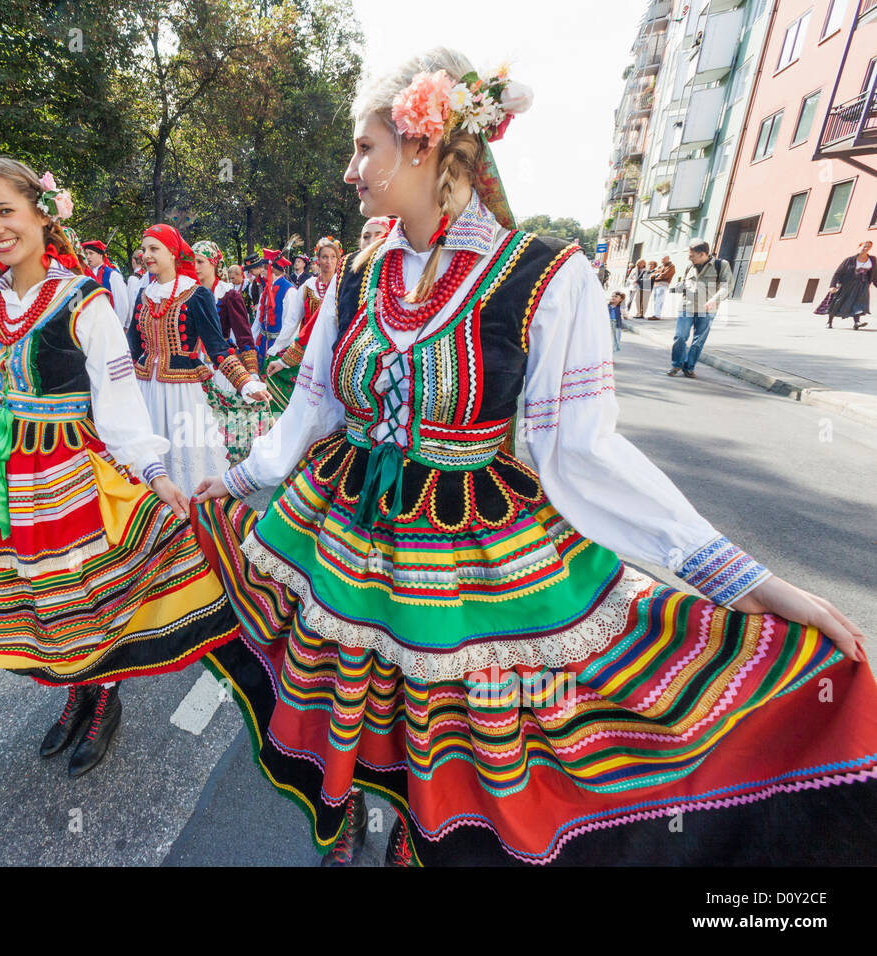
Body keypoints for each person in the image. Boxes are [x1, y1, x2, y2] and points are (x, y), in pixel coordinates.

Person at [192, 48, 877, 868]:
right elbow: (313, 410)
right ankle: (366, 827)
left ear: (423, 145)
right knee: (365, 715)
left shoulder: (547, 277)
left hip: (468, 563)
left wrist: (749, 581)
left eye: (365, 147)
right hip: (344, 544)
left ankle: (414, 841)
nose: (350, 171)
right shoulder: (359, 280)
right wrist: (227, 485)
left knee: (460, 749)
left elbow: (582, 454)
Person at [0, 156, 244, 777]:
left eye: (5, 212)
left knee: (80, 590)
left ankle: (104, 696)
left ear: (43, 212)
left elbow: (119, 405)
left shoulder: (82, 301)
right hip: (1, 471)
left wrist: (153, 472)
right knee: (40, 592)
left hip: (68, 469)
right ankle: (76, 690)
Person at [130, 224, 268, 493]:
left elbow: (217, 347)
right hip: (145, 392)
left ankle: (191, 523)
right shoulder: (143, 294)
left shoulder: (196, 293)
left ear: (172, 253)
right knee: (149, 464)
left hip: (183, 393)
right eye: (145, 249)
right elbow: (133, 349)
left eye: (154, 248)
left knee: (185, 462)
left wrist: (245, 382)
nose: (147, 255)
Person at [193, 239, 270, 466]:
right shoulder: (188, 292)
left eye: (200, 262)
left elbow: (244, 337)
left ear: (214, 263)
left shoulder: (228, 295)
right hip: (193, 368)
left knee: (220, 426)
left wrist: (252, 374)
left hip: (220, 368)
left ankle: (225, 472)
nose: (195, 267)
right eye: (193, 261)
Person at [266, 235, 342, 408]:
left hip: (335, 349)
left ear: (338, 260)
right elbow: (292, 320)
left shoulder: (342, 286)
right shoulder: (308, 286)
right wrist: (277, 347)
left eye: (333, 257)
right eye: (324, 257)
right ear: (317, 260)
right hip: (308, 349)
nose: (328, 261)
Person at [669, 240, 732, 378]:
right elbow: (685, 283)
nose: (689, 258)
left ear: (703, 254)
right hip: (687, 306)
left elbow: (726, 287)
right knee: (680, 336)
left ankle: (689, 367)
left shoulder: (721, 265)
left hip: (707, 310)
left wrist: (714, 299)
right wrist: (678, 287)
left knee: (698, 341)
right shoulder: (689, 266)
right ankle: (676, 365)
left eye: (692, 256)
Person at [243, 249, 302, 367]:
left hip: (279, 348)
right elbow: (258, 321)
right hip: (263, 344)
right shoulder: (266, 291)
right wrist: (251, 342)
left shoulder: (289, 291)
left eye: (263, 268)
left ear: (271, 269)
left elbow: (290, 325)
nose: (261, 272)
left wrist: (276, 348)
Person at [823, 240, 875, 330]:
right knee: (838, 302)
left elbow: (875, 274)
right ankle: (829, 321)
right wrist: (833, 285)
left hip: (863, 285)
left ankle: (857, 322)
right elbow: (838, 273)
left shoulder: (872, 259)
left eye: (869, 246)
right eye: (865, 246)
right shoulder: (849, 260)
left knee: (859, 302)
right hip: (847, 284)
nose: (866, 248)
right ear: (859, 246)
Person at [82, 240, 131, 328]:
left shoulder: (113, 275)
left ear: (100, 254)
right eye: (87, 254)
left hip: (109, 325)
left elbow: (122, 304)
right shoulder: (86, 275)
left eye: (91, 253)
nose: (88, 257)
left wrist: (119, 326)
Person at [649, 254, 675, 319]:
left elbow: (665, 275)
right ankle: (655, 314)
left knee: (659, 300)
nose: (662, 260)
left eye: (664, 259)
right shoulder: (660, 266)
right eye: (662, 259)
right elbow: (653, 274)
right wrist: (657, 275)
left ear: (668, 259)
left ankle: (657, 315)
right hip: (656, 285)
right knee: (655, 300)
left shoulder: (671, 266)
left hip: (663, 285)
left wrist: (656, 276)